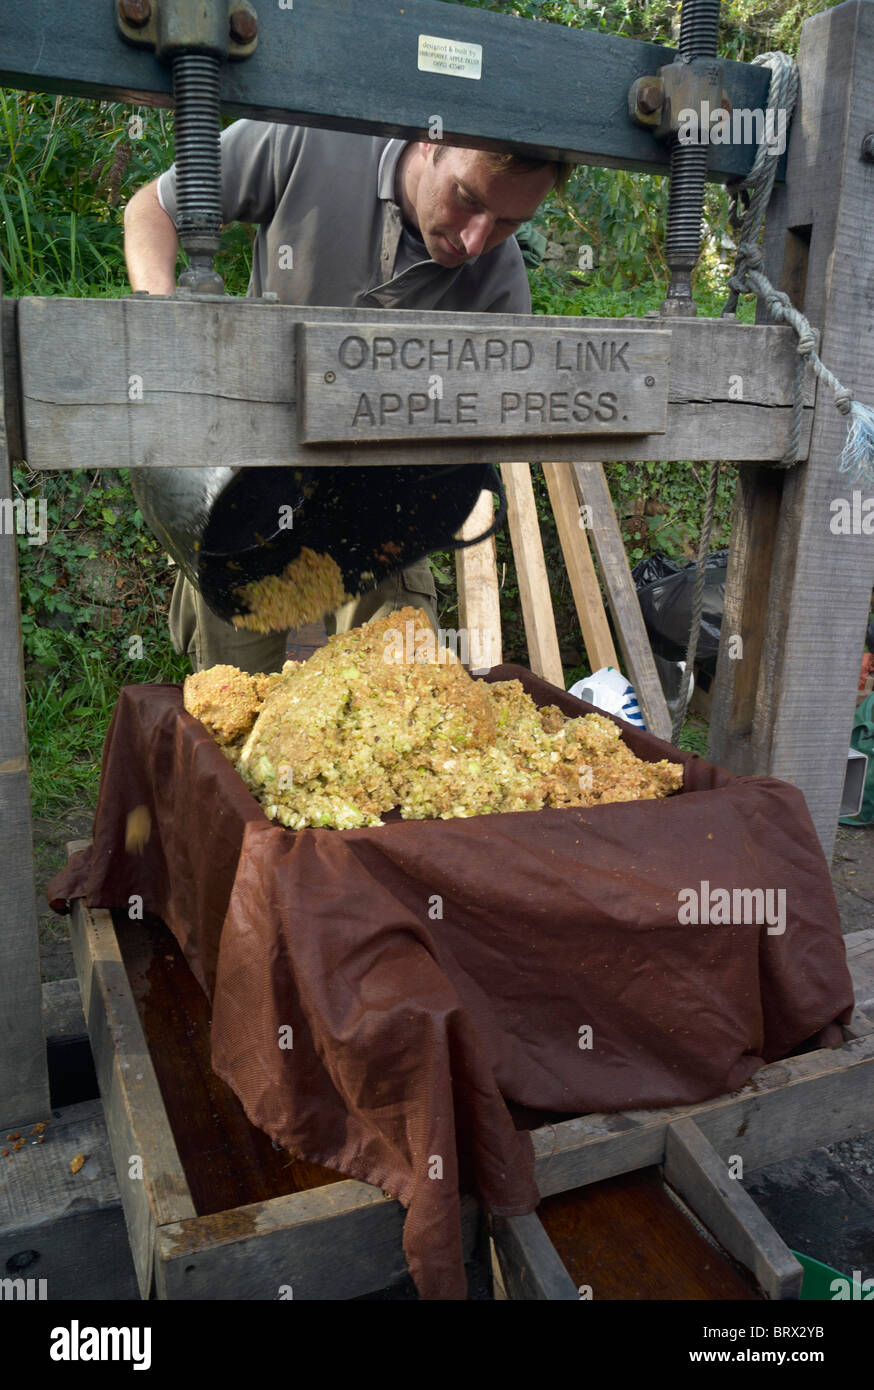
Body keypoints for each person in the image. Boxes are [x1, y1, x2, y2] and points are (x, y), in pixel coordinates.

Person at [123, 121, 572, 672]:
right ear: (431, 142)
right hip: (244, 479)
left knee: (403, 689)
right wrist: (170, 331)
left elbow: (472, 445)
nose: (476, 240)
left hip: (374, 499)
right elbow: (156, 209)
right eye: (466, 199)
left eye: (508, 222)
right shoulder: (305, 138)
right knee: (232, 696)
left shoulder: (499, 286)